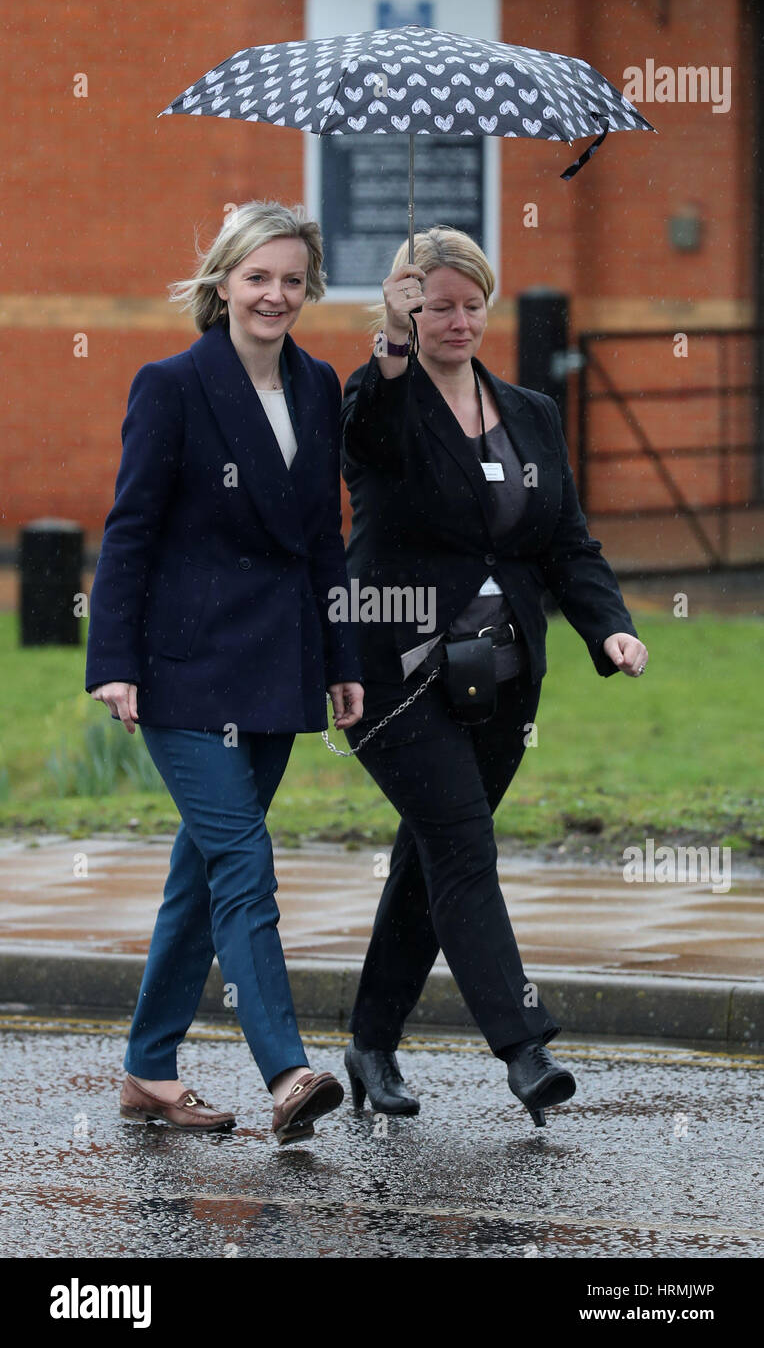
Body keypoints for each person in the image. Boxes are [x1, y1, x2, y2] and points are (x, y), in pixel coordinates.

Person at [340, 226, 649, 1128]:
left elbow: (566, 541)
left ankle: (371, 1040)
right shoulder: (379, 399)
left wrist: (613, 630)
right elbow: (369, 434)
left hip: (503, 675)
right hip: (392, 668)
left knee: (431, 854)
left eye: (472, 304)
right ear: (407, 307)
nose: (458, 320)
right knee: (465, 845)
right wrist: (390, 350)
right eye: (438, 305)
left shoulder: (529, 413)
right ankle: (525, 1047)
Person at [85, 200, 364, 1145]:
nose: (275, 295)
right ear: (222, 283)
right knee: (243, 862)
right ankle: (287, 1069)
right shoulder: (170, 384)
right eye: (257, 277)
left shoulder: (320, 384)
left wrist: (342, 658)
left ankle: (147, 1071)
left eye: (292, 279)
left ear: (309, 288)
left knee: (201, 878)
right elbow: (130, 531)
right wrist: (114, 661)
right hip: (184, 671)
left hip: (279, 670)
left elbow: (327, 539)